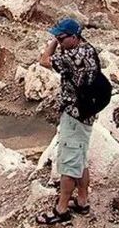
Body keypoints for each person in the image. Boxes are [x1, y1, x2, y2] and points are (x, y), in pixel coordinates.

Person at [36, 18, 100, 225]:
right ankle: (82, 202)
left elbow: (44, 60)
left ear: (74, 37)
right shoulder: (88, 49)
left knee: (69, 164)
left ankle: (61, 209)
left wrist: (52, 43)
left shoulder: (72, 56)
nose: (59, 41)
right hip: (87, 113)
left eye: (62, 38)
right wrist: (59, 39)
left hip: (75, 115)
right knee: (80, 159)